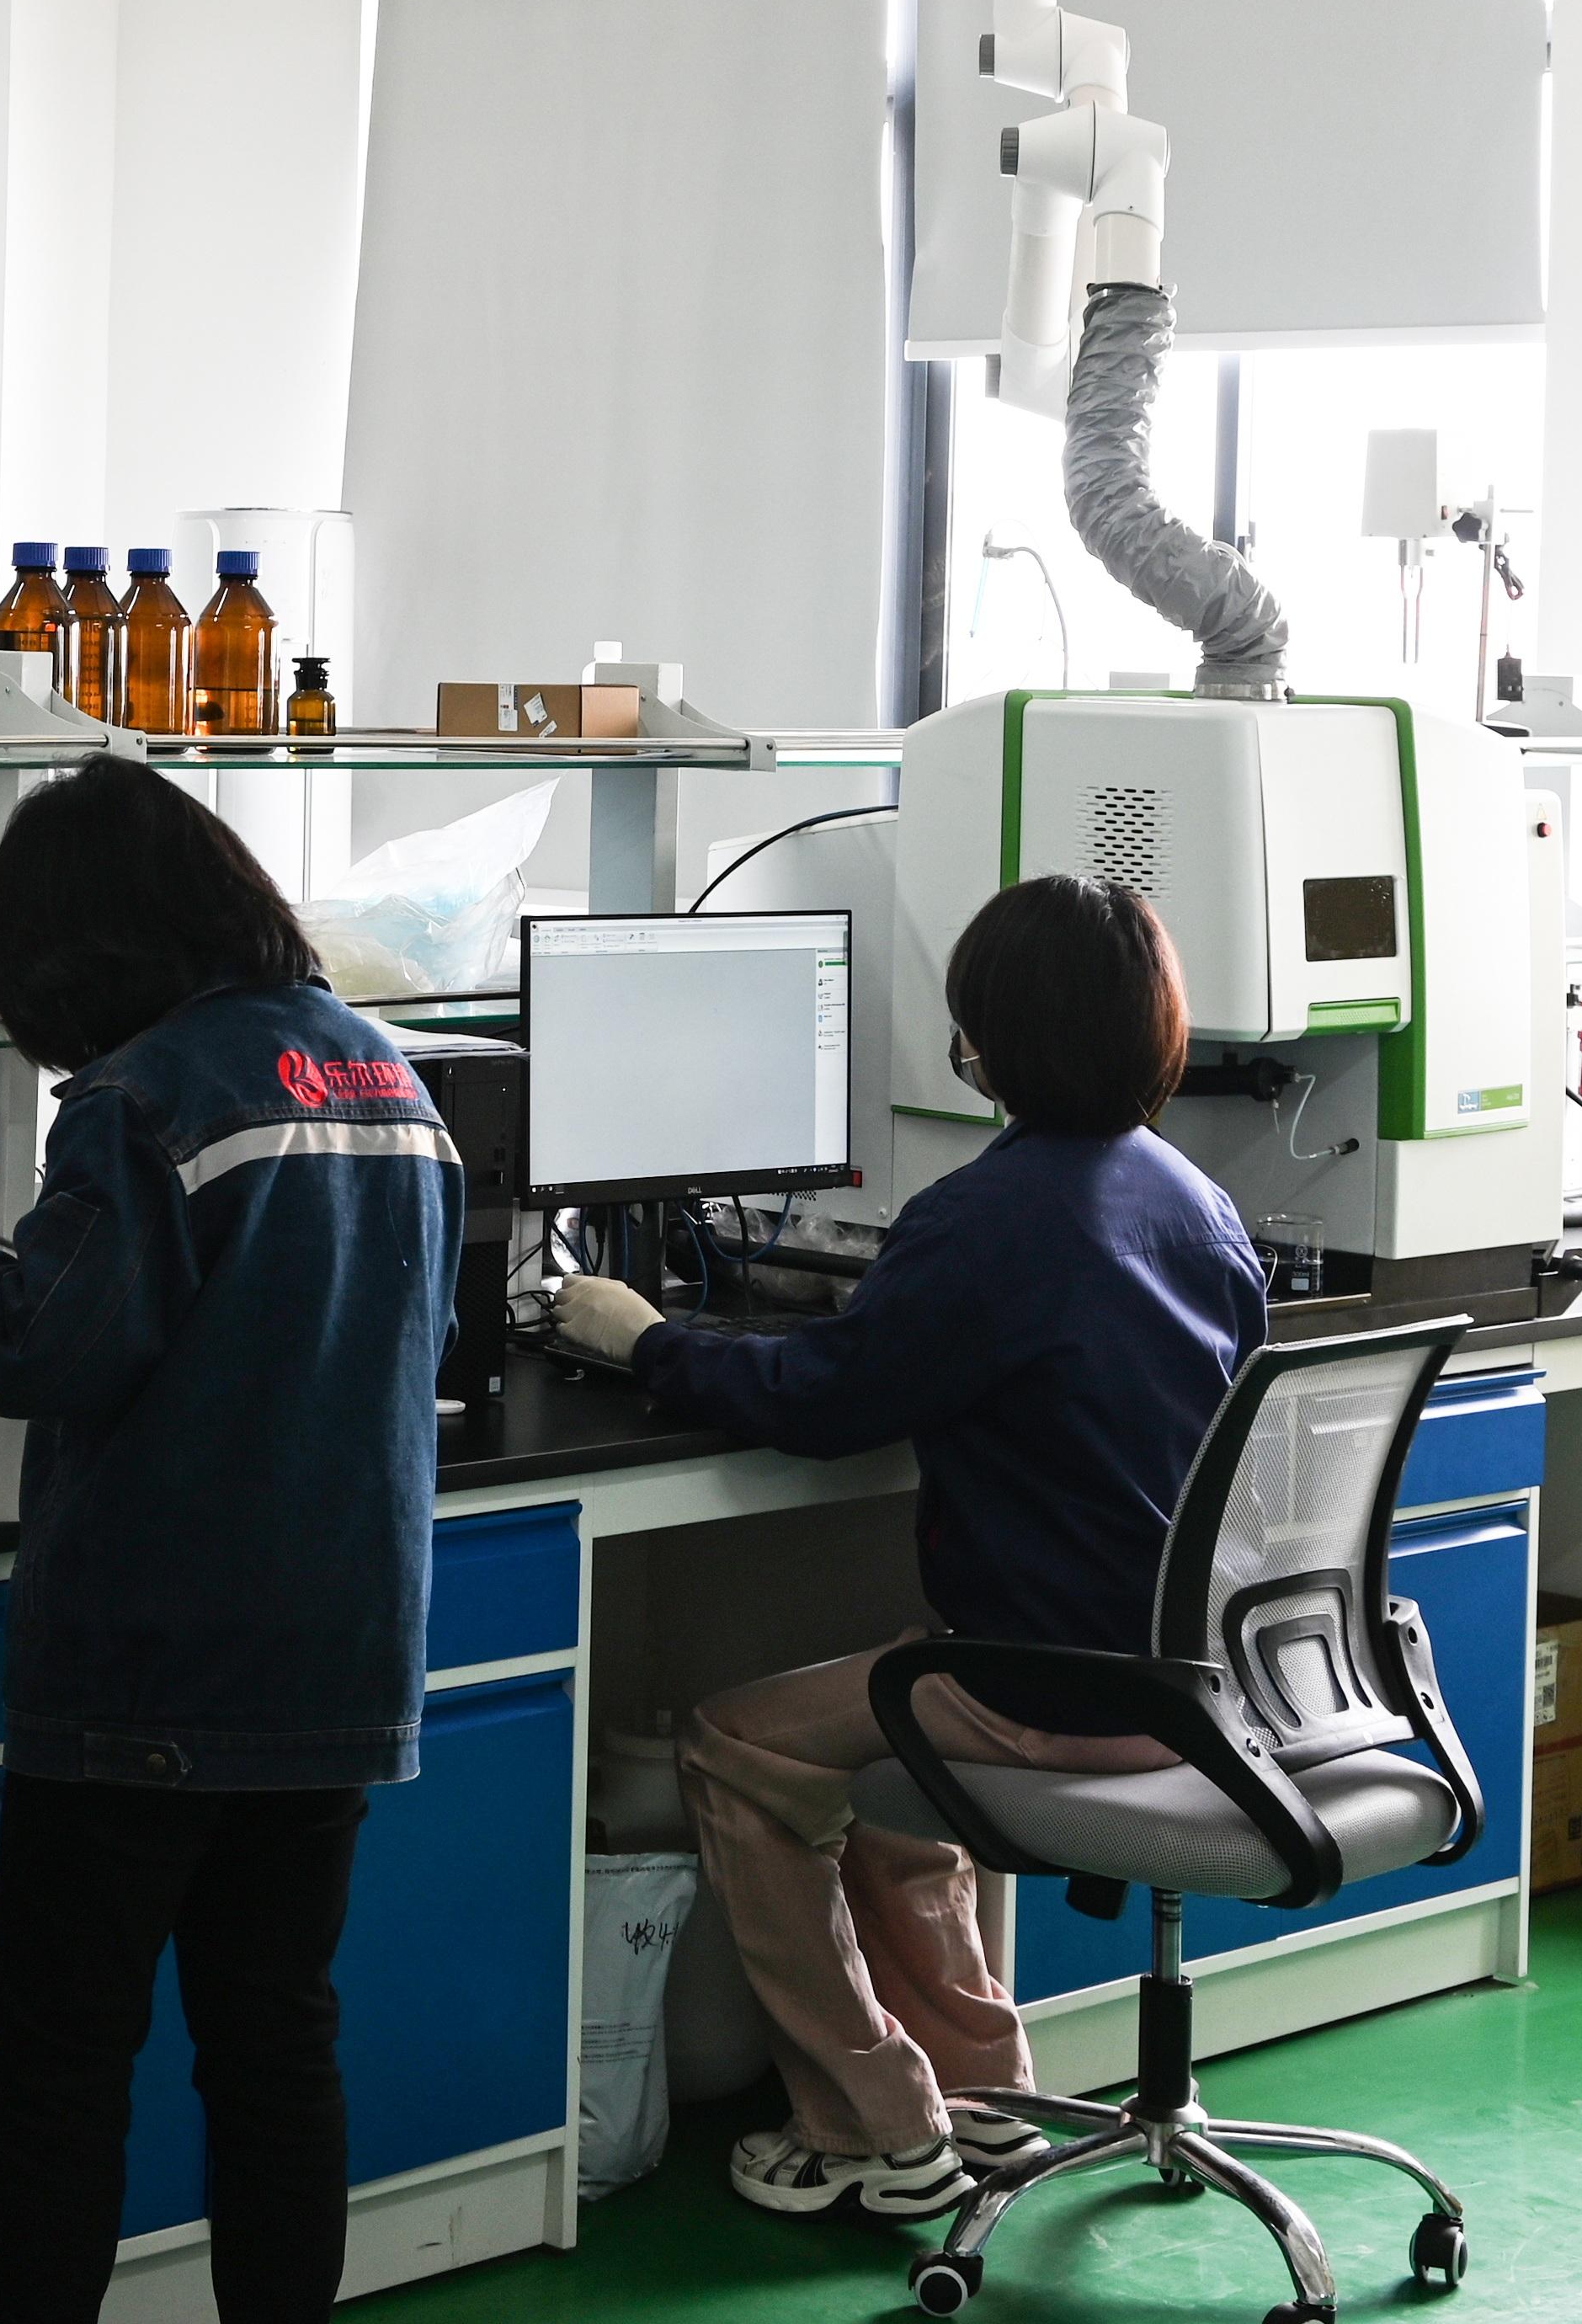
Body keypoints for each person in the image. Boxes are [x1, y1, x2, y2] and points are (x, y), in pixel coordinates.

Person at [547, 872, 1265, 2230]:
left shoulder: (989, 1218)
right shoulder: (1201, 1206)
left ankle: (868, 2124)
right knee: (886, 1742)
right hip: (1191, 1681)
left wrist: (645, 1340)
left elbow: (821, 1405)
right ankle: (978, 2091)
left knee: (735, 1745)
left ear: (990, 1041)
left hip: (1048, 1685)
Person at [0, 757, 462, 2324]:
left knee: (64, 2072)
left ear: (73, 953)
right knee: (276, 2049)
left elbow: (33, 1345)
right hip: (338, 1661)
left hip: (150, 1672)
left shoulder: (145, 1099)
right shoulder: (383, 1073)